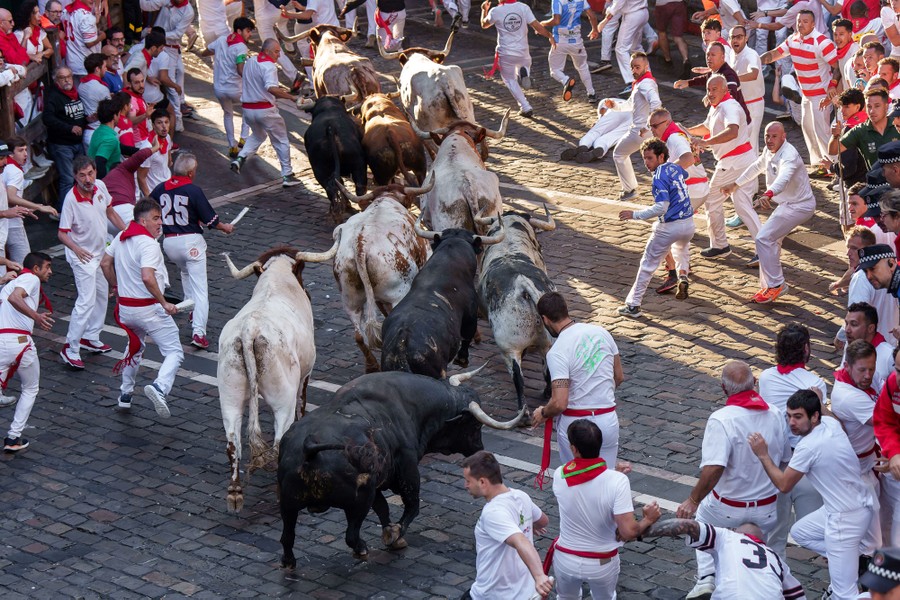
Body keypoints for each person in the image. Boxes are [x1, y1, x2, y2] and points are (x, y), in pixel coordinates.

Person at [674, 360, 789, 600]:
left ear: (724, 388)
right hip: (766, 509)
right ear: (754, 382)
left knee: (703, 518)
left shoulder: (722, 419)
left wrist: (693, 500)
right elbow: (784, 460)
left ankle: (707, 577)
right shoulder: (777, 414)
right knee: (757, 552)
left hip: (727, 509)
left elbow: (714, 467)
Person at [749, 389, 878, 600]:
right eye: (789, 416)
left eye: (798, 417)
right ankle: (855, 560)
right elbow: (833, 418)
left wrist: (763, 454)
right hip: (853, 506)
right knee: (801, 532)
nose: (791, 422)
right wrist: (820, 402)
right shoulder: (831, 424)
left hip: (844, 519)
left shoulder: (808, 447)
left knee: (844, 593)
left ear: (814, 416)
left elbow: (783, 485)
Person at [547, 419, 661, 600]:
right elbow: (629, 531)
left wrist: (612, 472)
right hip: (602, 562)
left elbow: (585, 483)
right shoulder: (617, 481)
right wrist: (649, 519)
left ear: (574, 449)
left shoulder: (560, 475)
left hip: (565, 559)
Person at [100, 198, 184, 417]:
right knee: (174, 351)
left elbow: (104, 264)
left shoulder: (121, 237)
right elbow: (147, 277)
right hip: (148, 310)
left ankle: (125, 395)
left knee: (134, 349)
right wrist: (164, 302)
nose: (160, 223)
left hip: (126, 309)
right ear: (143, 220)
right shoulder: (149, 244)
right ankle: (160, 387)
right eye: (156, 219)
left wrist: (116, 286)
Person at [532, 291, 625, 486]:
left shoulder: (557, 351)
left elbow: (559, 402)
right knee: (605, 480)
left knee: (579, 483)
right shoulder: (602, 333)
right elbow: (619, 376)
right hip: (607, 419)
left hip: (576, 425)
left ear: (545, 319)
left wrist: (543, 412)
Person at [722, 122, 815, 303]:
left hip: (799, 205)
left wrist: (768, 194)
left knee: (763, 238)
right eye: (767, 136)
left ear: (783, 137)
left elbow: (784, 178)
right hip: (786, 205)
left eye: (774, 136)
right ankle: (768, 286)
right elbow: (757, 166)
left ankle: (776, 284)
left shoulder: (789, 156)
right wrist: (735, 184)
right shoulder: (768, 150)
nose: (769, 140)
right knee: (772, 241)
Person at [757, 323, 826, 559]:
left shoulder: (765, 378)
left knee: (775, 534)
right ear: (806, 349)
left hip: (775, 465)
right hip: (806, 466)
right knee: (815, 529)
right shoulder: (816, 384)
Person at [151, 152, 234, 349]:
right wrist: (226, 227)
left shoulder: (160, 188)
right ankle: (199, 332)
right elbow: (211, 220)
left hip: (169, 243)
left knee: (185, 272)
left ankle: (191, 309)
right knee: (201, 289)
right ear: (189, 173)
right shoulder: (193, 190)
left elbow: (149, 207)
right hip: (191, 243)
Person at [58, 155, 125, 369]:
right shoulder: (70, 199)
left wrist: (127, 231)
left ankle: (90, 336)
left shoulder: (101, 187)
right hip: (82, 257)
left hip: (98, 253)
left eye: (90, 173)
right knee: (86, 301)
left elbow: (110, 212)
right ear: (75, 176)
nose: (88, 179)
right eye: (82, 175)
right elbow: (62, 233)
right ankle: (70, 347)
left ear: (95, 171)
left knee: (102, 295)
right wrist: (77, 250)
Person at [617, 137, 694, 317]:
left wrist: (635, 214)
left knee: (647, 264)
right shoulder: (675, 167)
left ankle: (633, 305)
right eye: (644, 158)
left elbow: (661, 207)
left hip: (670, 226)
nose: (646, 162)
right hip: (689, 225)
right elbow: (685, 175)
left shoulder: (659, 176)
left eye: (650, 158)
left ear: (661, 157)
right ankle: (683, 275)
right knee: (681, 248)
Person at [684, 74, 759, 259]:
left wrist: (705, 143)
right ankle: (763, 247)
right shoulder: (720, 106)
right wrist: (686, 131)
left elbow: (732, 132)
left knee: (711, 200)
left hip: (733, 163)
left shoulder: (729, 107)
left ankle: (720, 245)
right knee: (743, 206)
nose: (710, 93)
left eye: (714, 89)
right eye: (708, 90)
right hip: (741, 161)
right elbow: (707, 127)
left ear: (725, 90)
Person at [461, 450, 553, 600]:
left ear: (483, 482)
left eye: (468, 481)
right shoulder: (521, 495)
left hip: (494, 595)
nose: (466, 485)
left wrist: (539, 576)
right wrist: (530, 524)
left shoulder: (493, 512)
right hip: (525, 592)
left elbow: (520, 541)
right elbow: (543, 521)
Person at [643, 519, 805, 599]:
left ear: (735, 530)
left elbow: (687, 526)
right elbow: (797, 595)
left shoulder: (728, 536)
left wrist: (640, 532)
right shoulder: (776, 559)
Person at [760, 10, 840, 171]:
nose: (801, 24)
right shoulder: (792, 40)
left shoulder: (823, 43)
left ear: (813, 24)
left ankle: (834, 166)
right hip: (806, 95)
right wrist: (754, 60)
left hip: (820, 96)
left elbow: (837, 66)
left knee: (822, 132)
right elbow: (775, 54)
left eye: (805, 21)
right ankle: (820, 165)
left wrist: (832, 85)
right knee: (808, 130)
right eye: (799, 21)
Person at [0, 251, 54, 453]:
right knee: (30, 388)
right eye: (47, 267)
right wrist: (36, 317)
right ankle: (13, 436)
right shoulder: (30, 279)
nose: (50, 271)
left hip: (0, 342)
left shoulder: (7, 285)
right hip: (21, 343)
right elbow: (16, 298)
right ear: (36, 268)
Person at [230, 39, 301, 188]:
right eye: (276, 51)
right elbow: (271, 89)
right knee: (281, 140)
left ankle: (240, 158)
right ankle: (287, 175)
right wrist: (292, 97)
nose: (279, 54)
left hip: (248, 111)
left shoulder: (251, 60)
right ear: (267, 51)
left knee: (258, 135)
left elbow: (241, 70)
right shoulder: (269, 67)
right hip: (265, 111)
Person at [832, 340, 884, 512]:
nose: (868, 375)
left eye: (872, 368)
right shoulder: (849, 397)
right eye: (862, 370)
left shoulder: (864, 377)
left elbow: (886, 390)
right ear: (847, 366)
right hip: (855, 474)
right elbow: (887, 421)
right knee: (870, 528)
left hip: (869, 463)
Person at [481, 0, 555, 118]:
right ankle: (524, 72)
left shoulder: (495, 11)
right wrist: (549, 36)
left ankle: (525, 107)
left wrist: (484, 10)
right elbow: (536, 26)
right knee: (524, 65)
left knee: (509, 79)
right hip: (523, 51)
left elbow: (484, 25)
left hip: (506, 53)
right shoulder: (523, 7)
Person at [608, 52, 660, 201]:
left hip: (639, 131)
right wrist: (615, 106)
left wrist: (649, 126)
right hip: (646, 131)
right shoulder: (642, 83)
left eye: (637, 67)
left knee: (619, 154)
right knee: (654, 164)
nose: (634, 71)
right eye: (632, 67)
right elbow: (632, 104)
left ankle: (629, 189)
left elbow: (656, 103)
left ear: (646, 66)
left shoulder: (645, 84)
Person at [202, 16, 254, 159]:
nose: (250, 35)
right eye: (248, 31)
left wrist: (216, 53)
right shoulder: (241, 47)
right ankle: (244, 137)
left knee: (228, 114)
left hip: (219, 89)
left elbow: (205, 51)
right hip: (236, 89)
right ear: (239, 30)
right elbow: (240, 70)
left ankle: (232, 146)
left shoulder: (220, 40)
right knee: (248, 108)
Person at [3, 137, 57, 262]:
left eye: (26, 150)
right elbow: (11, 197)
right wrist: (39, 206)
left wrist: (26, 208)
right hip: (13, 224)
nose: (26, 154)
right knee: (23, 262)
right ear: (10, 153)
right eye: (20, 150)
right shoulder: (15, 171)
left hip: (5, 221)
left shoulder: (5, 169)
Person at [674, 42, 751, 124]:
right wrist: (688, 82)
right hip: (725, 118)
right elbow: (706, 78)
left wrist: (711, 95)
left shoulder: (728, 74)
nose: (709, 58)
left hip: (738, 123)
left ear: (722, 57)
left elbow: (732, 93)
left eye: (713, 55)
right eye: (708, 55)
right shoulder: (715, 70)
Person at [43, 66, 87, 211]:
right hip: (62, 144)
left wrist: (88, 119)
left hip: (77, 143)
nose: (67, 80)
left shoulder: (74, 93)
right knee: (68, 179)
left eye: (69, 76)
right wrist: (69, 128)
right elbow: (47, 118)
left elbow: (76, 115)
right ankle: (62, 212)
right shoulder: (54, 96)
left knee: (81, 176)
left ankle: (78, 208)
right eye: (63, 77)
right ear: (57, 80)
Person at [541, 0, 598, 102]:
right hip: (576, 41)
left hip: (560, 41)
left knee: (555, 70)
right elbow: (592, 16)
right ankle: (591, 93)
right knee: (582, 67)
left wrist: (543, 23)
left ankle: (566, 80)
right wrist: (595, 29)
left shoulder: (557, 1)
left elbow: (556, 21)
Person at [594, 0, 649, 96]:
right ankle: (647, 79)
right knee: (636, 47)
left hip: (632, 14)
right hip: (643, 12)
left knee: (621, 49)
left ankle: (631, 81)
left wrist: (606, 19)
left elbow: (619, 2)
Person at [155, 0, 194, 133]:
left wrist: (157, 35)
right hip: (163, 46)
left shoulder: (188, 11)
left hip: (172, 48)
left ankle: (178, 116)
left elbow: (177, 34)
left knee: (177, 79)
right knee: (172, 84)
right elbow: (148, 5)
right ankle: (177, 117)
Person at [251, 0, 303, 93]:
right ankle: (290, 50)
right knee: (275, 43)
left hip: (264, 17)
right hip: (276, 12)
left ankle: (294, 75)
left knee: (272, 50)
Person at [103, 141, 154, 235]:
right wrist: (155, 147)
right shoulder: (123, 169)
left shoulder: (103, 181)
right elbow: (139, 156)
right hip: (123, 210)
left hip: (107, 220)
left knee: (122, 241)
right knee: (147, 232)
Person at [729, 26, 765, 152]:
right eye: (733, 37)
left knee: (750, 142)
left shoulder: (751, 55)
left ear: (746, 38)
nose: (735, 40)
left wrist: (733, 79)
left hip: (753, 105)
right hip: (739, 105)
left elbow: (753, 73)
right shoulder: (731, 54)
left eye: (739, 37)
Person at [842, 302, 896, 383]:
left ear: (871, 328)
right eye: (846, 324)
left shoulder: (889, 355)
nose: (847, 330)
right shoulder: (850, 345)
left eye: (854, 324)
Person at [77, 52, 111, 151]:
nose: (106, 69)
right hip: (99, 133)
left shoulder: (81, 85)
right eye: (104, 66)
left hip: (87, 132)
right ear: (97, 69)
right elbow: (109, 111)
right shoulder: (101, 88)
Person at [62, 0, 104, 78]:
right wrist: (102, 36)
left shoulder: (66, 11)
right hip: (85, 64)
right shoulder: (86, 16)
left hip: (71, 62)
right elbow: (89, 43)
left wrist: (95, 21)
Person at [137, 109, 172, 197]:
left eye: (166, 122)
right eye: (159, 123)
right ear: (153, 125)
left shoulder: (167, 137)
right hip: (154, 191)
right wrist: (149, 197)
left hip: (168, 186)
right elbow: (141, 177)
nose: (164, 126)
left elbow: (168, 159)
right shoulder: (147, 148)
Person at [653, 0, 690, 79]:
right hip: (679, 3)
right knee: (678, 36)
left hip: (662, 5)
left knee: (662, 32)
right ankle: (686, 59)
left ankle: (668, 59)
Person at [87, 96, 122, 177]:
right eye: (119, 114)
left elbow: (118, 147)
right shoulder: (110, 139)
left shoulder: (98, 131)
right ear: (114, 116)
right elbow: (99, 162)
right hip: (107, 182)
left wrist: (144, 150)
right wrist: (103, 185)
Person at [124, 68, 152, 149]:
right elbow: (130, 121)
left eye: (142, 81)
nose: (141, 85)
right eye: (137, 83)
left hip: (143, 139)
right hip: (139, 142)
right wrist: (145, 115)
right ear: (129, 84)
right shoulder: (131, 100)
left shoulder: (134, 94)